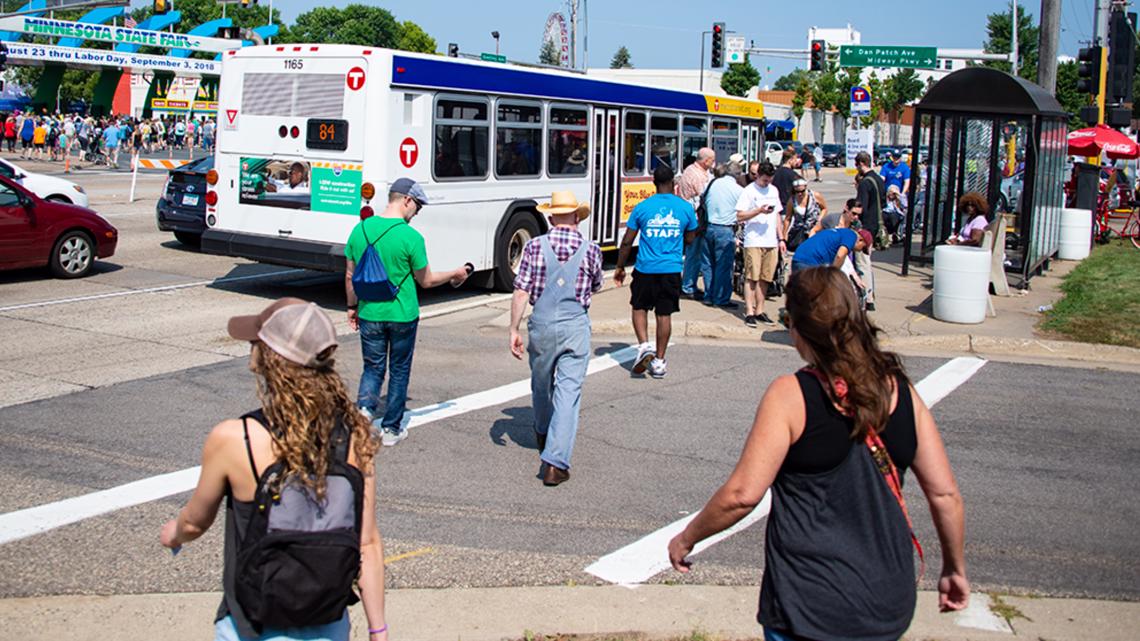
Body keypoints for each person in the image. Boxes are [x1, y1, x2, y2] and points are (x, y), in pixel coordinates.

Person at [667, 266, 969, 641]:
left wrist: (687, 537)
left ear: (797, 327)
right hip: (885, 601)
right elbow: (945, 494)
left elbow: (742, 495)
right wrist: (954, 568)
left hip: (807, 603)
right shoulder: (898, 390)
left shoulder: (791, 396)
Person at [159, 298, 389, 641]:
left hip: (252, 625)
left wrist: (173, 533)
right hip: (329, 623)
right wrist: (378, 629)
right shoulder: (355, 435)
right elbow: (367, 543)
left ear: (267, 361)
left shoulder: (236, 439)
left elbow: (195, 522)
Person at [345, 178, 470, 446]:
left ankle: (364, 413)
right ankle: (391, 429)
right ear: (406, 201)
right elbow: (426, 280)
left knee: (373, 367)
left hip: (369, 312)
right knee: (399, 370)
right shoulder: (411, 237)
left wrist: (351, 307)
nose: (417, 213)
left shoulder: (361, 230)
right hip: (403, 314)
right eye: (418, 207)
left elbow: (349, 275)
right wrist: (455, 274)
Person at [509, 191, 604, 487]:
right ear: (577, 217)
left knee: (541, 382)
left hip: (542, 323)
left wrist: (513, 329)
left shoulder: (535, 246)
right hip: (575, 324)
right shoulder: (591, 250)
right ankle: (555, 461)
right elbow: (596, 284)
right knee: (568, 390)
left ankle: (541, 430)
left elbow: (521, 291)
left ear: (550, 218)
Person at [615, 164, 698, 379]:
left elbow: (627, 242)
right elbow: (690, 238)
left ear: (653, 183)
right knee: (664, 314)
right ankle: (660, 361)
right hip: (670, 269)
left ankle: (644, 346)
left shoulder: (642, 207)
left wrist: (619, 267)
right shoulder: (685, 208)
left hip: (645, 267)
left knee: (639, 307)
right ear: (673, 183)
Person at [735, 161, 785, 327]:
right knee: (752, 276)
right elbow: (740, 216)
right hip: (754, 239)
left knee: (766, 277)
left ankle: (760, 309)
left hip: (771, 240)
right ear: (758, 176)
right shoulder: (749, 191)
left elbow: (777, 215)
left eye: (769, 180)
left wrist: (781, 238)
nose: (767, 183)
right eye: (764, 180)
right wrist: (758, 210)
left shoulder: (774, 190)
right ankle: (749, 310)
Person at [702, 162, 745, 308]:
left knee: (708, 264)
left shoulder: (712, 183)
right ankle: (721, 298)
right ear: (738, 175)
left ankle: (709, 295)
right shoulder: (738, 190)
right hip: (725, 229)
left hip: (707, 227)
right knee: (724, 266)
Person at [677, 147, 715, 299]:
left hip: (689, 217)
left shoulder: (689, 170)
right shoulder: (698, 176)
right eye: (712, 160)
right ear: (706, 161)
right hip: (696, 219)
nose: (713, 163)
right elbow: (704, 196)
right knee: (694, 253)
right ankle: (688, 286)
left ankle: (688, 284)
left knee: (693, 253)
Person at [854, 152, 884, 311]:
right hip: (876, 225)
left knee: (862, 263)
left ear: (860, 163)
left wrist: (854, 221)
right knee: (868, 262)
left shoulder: (865, 183)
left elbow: (861, 207)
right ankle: (870, 294)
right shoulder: (878, 179)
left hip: (865, 227)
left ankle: (867, 298)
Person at [782, 178, 827, 251]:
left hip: (814, 230)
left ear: (806, 187)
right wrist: (784, 235)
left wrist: (820, 220)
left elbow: (824, 208)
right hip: (799, 232)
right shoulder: (792, 200)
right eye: (797, 191)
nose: (800, 194)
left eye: (802, 191)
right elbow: (788, 218)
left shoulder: (814, 196)